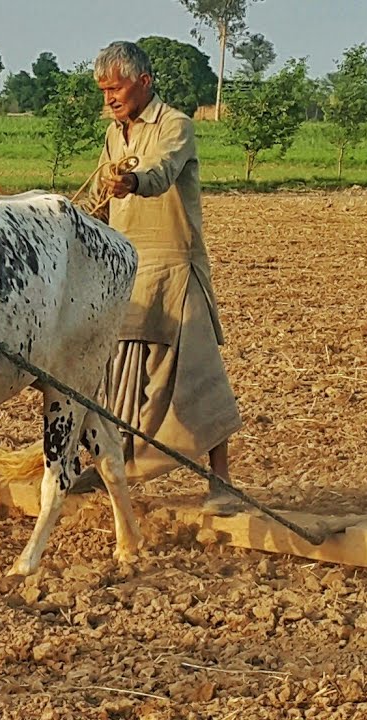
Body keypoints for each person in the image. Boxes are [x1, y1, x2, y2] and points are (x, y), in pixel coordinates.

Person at [79, 40, 242, 509]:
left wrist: (130, 181)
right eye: (103, 90)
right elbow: (100, 205)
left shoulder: (175, 125)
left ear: (144, 83)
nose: (109, 98)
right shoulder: (114, 135)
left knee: (198, 377)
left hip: (176, 267)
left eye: (117, 88)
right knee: (117, 379)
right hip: (129, 272)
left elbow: (159, 173)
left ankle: (222, 482)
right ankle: (107, 466)